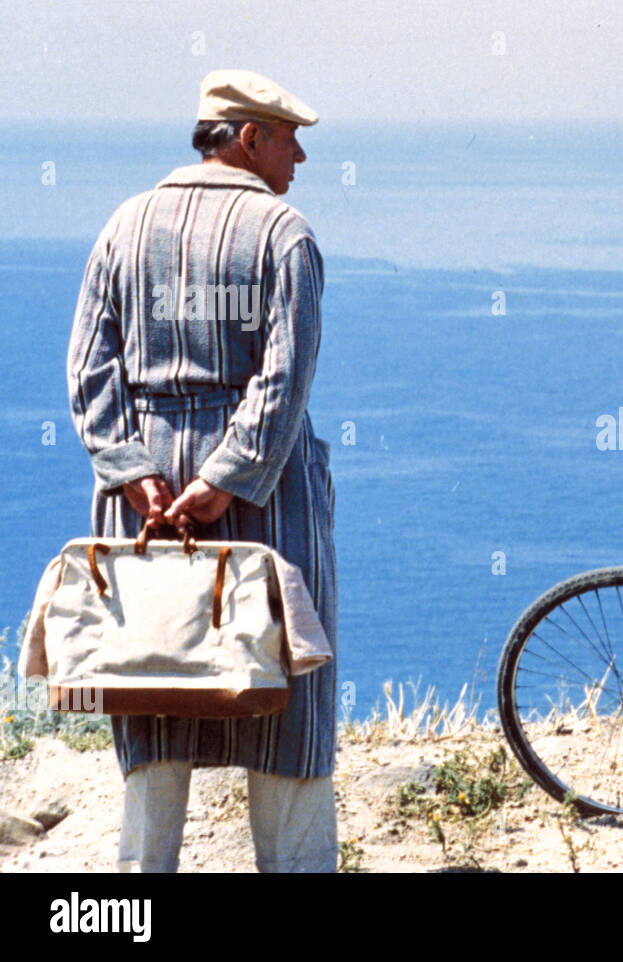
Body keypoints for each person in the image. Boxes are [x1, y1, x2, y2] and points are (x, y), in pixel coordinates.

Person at [67, 69, 338, 872]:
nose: (298, 157)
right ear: (248, 138)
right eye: (289, 139)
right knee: (287, 691)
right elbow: (284, 379)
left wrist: (134, 470)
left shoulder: (124, 224)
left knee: (152, 679)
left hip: (144, 499)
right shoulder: (283, 232)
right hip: (261, 497)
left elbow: (90, 367)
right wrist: (224, 479)